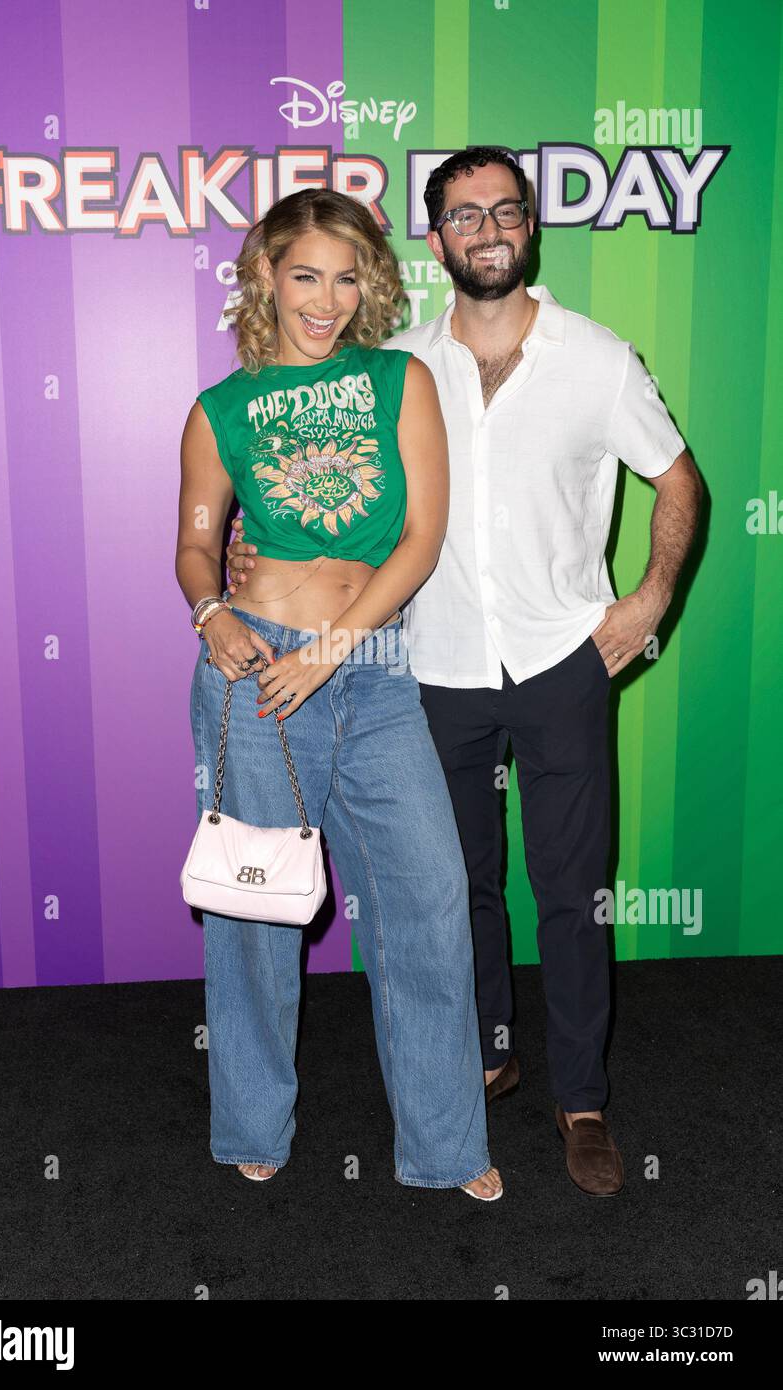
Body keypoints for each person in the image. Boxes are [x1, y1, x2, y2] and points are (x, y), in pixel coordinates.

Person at [226, 149, 704, 1198]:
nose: (488, 229)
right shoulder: (393, 368)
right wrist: (256, 554)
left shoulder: (596, 358)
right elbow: (327, 494)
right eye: (464, 215)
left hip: (561, 660)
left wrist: (649, 600)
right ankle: (488, 1054)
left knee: (572, 893)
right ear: (437, 239)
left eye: (504, 210)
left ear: (529, 225)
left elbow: (678, 479)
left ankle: (581, 1099)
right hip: (431, 668)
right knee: (459, 889)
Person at [176, 187, 504, 1200]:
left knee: (428, 901)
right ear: (265, 277)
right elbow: (194, 545)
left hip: (371, 671)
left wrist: (330, 648)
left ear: (369, 287)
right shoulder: (219, 410)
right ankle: (250, 1123)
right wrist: (210, 612)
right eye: (305, 276)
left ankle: (446, 1146)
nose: (325, 301)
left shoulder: (398, 379)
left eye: (346, 279)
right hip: (255, 673)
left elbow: (420, 540)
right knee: (255, 912)